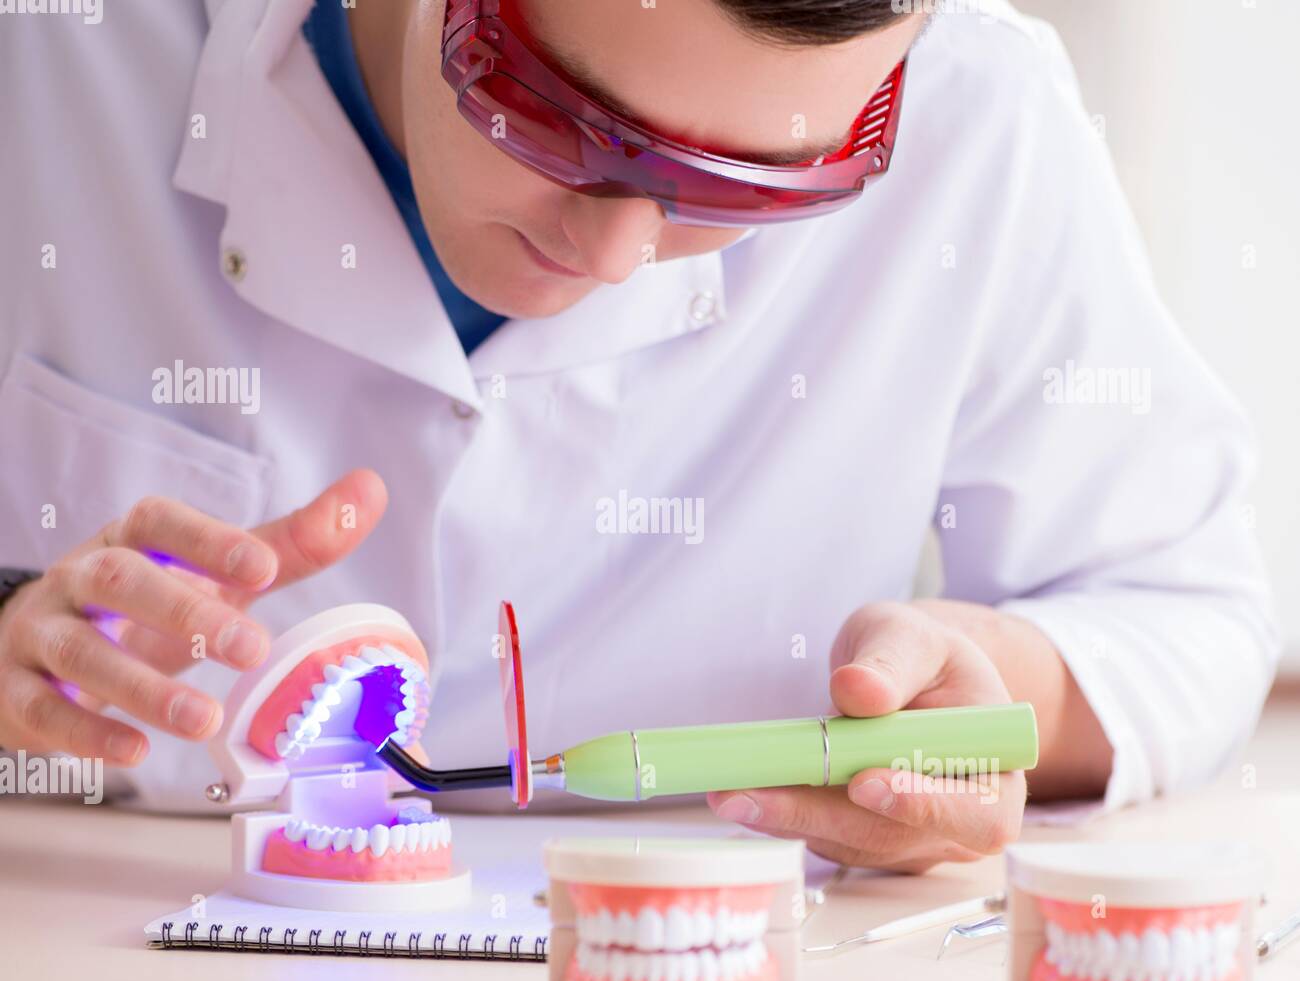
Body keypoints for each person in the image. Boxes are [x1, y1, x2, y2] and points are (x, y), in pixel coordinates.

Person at [0, 0, 1277, 871]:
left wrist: (997, 684)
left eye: (747, 187)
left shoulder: (976, 118)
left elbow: (1192, 604)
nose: (613, 253)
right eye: (557, 120)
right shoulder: (54, 59)